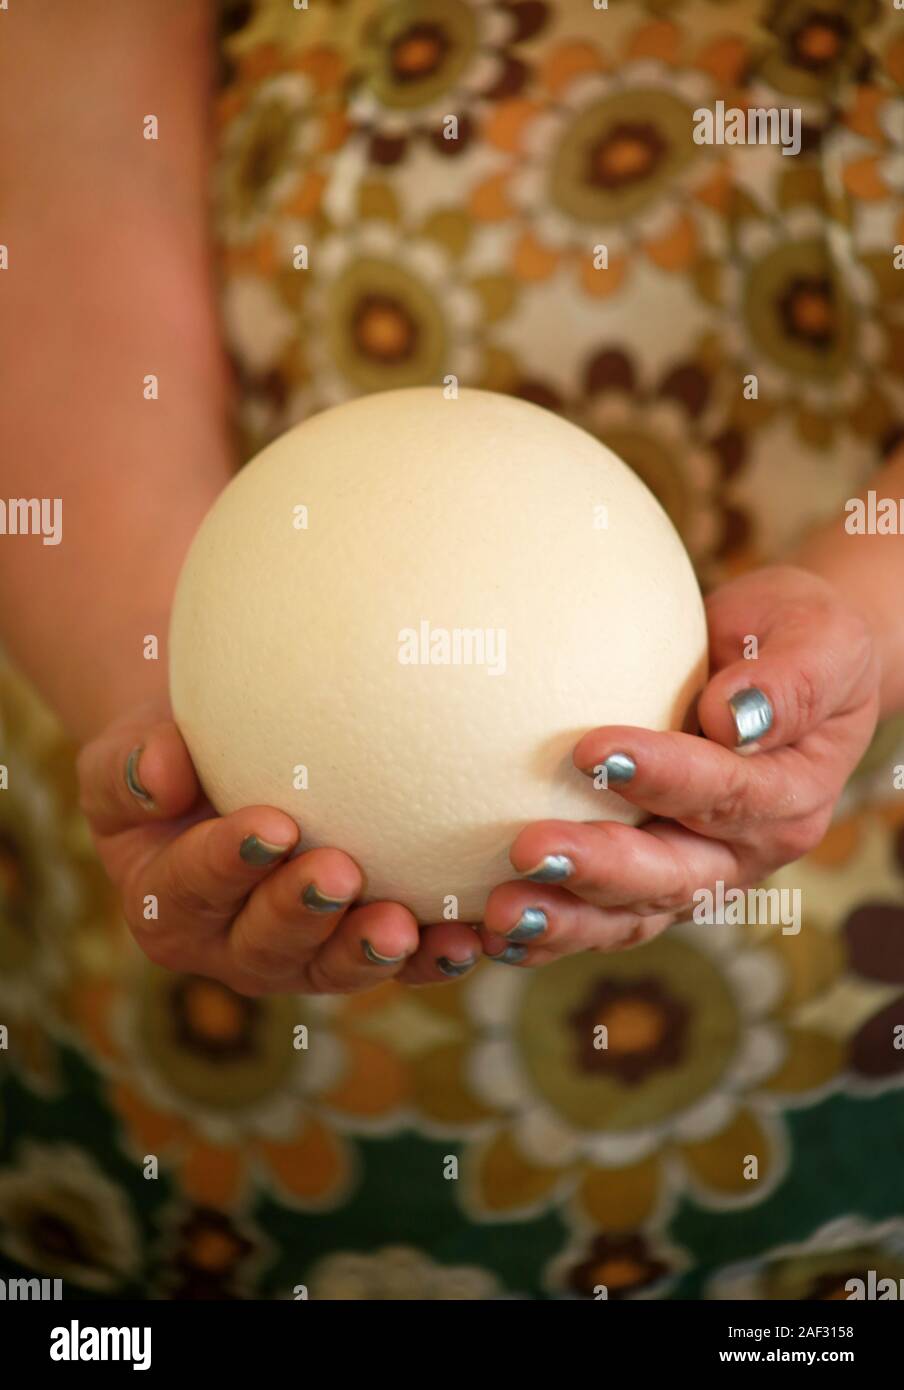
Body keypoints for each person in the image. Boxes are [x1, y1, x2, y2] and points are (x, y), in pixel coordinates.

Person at [0, 0, 902, 1301]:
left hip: (828, 996)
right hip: (179, 1027)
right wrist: (176, 690)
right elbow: (64, 184)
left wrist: (857, 627)